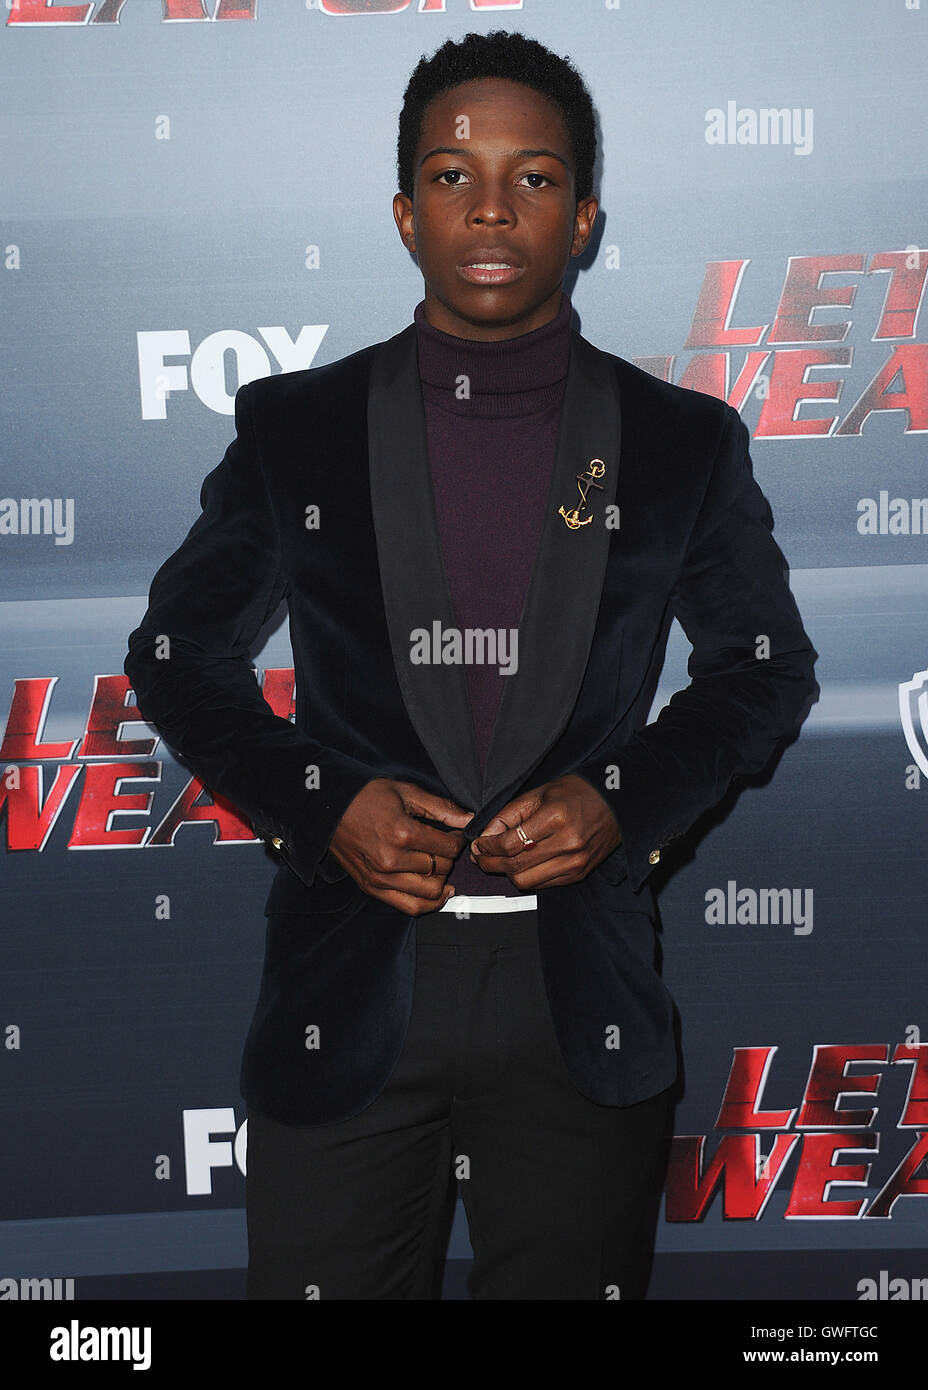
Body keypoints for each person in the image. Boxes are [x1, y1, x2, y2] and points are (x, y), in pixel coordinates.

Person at [125, 29, 817, 1300]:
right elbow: (176, 656)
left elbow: (761, 671)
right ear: (402, 213)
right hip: (351, 980)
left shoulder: (680, 443)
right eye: (452, 175)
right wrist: (324, 804)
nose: (492, 209)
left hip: (576, 996)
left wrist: (621, 802)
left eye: (534, 177)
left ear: (585, 216)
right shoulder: (300, 430)